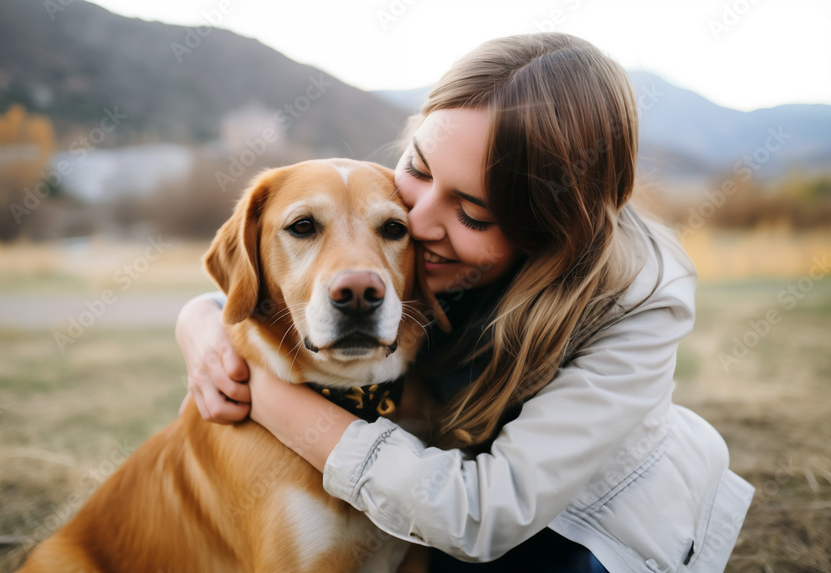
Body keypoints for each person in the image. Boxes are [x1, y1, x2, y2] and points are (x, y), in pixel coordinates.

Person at [175, 32, 755, 572]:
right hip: (431, 502)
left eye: (472, 212)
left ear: (551, 230)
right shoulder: (417, 252)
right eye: (419, 171)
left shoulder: (640, 301)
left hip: (585, 536)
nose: (418, 222)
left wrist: (264, 392)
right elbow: (290, 275)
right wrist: (200, 320)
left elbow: (482, 516)